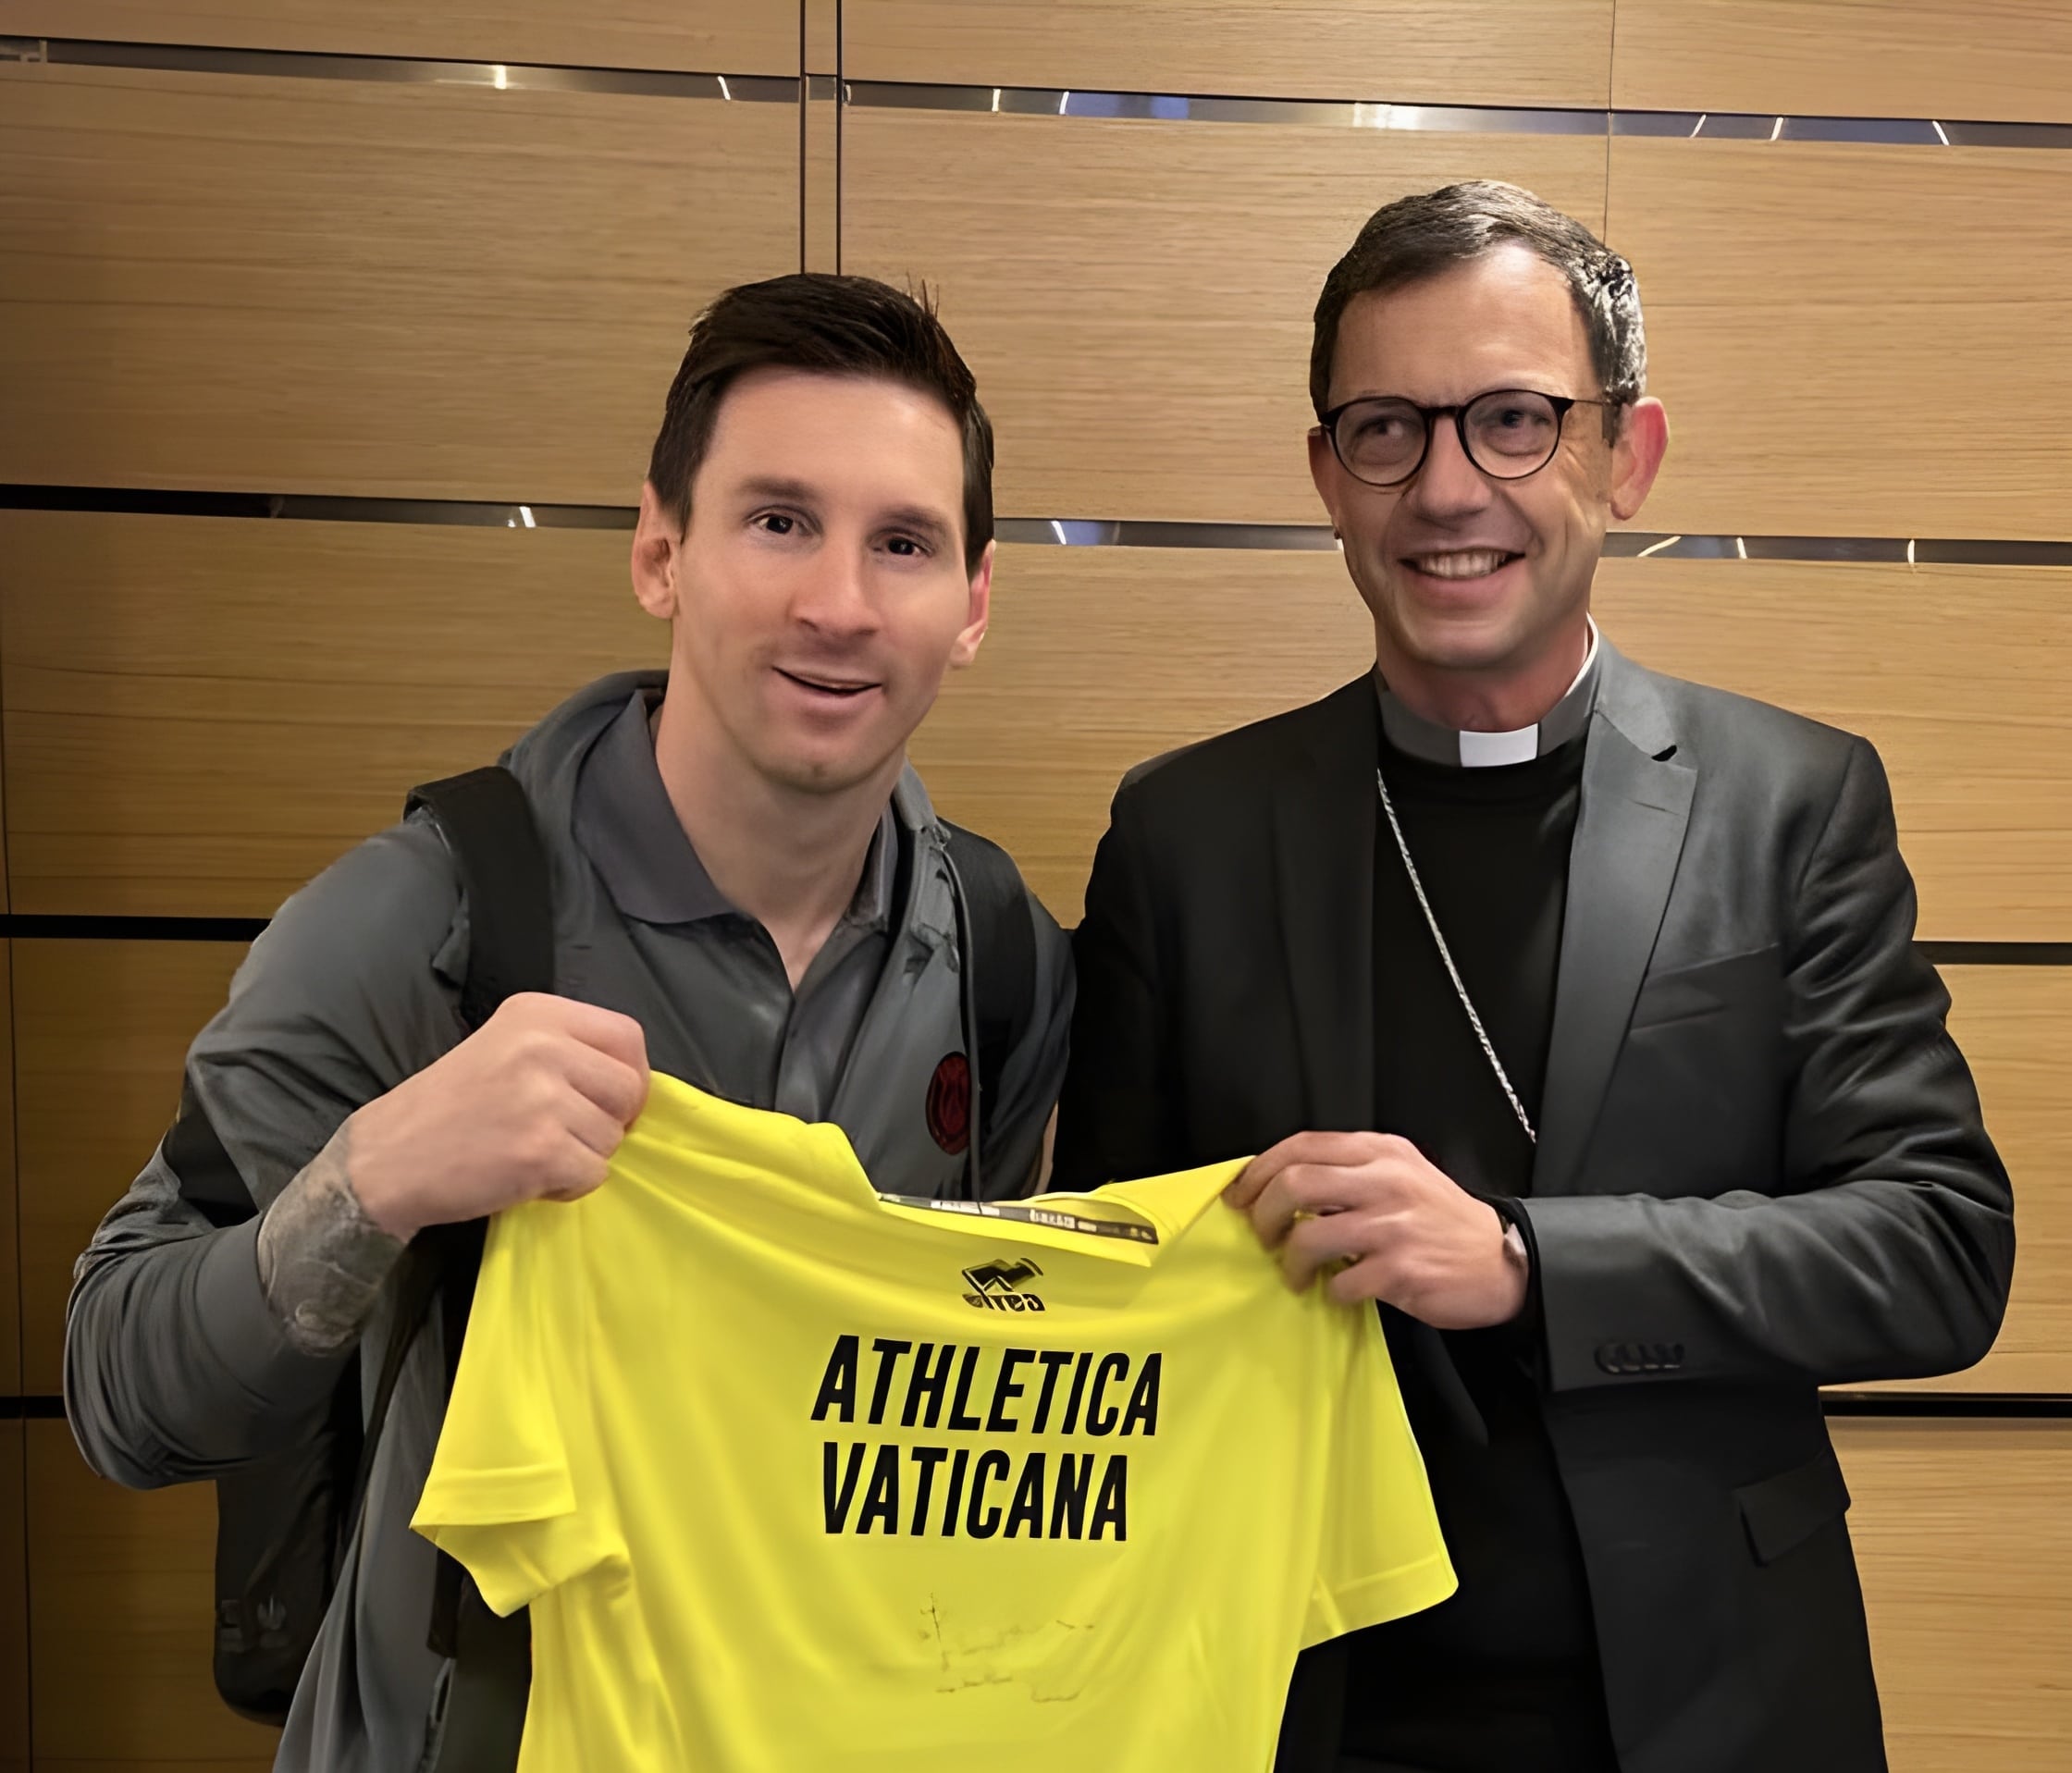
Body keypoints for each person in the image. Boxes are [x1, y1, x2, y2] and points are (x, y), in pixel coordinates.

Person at [1053, 181, 2012, 1773]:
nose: (1447, 488)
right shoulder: (1186, 833)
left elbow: (1937, 1248)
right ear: (1327, 477)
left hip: (1717, 1695)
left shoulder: (1793, 803)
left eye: (1513, 420)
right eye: (1385, 429)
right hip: (1298, 1698)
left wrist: (1525, 1260)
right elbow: (1102, 1299)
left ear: (1626, 457)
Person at [64, 273, 1073, 1771]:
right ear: (661, 551)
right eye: (777, 520)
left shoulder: (1002, 955)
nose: (840, 604)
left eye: (904, 542)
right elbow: (117, 1391)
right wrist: (371, 1183)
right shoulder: (422, 923)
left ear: (973, 604)